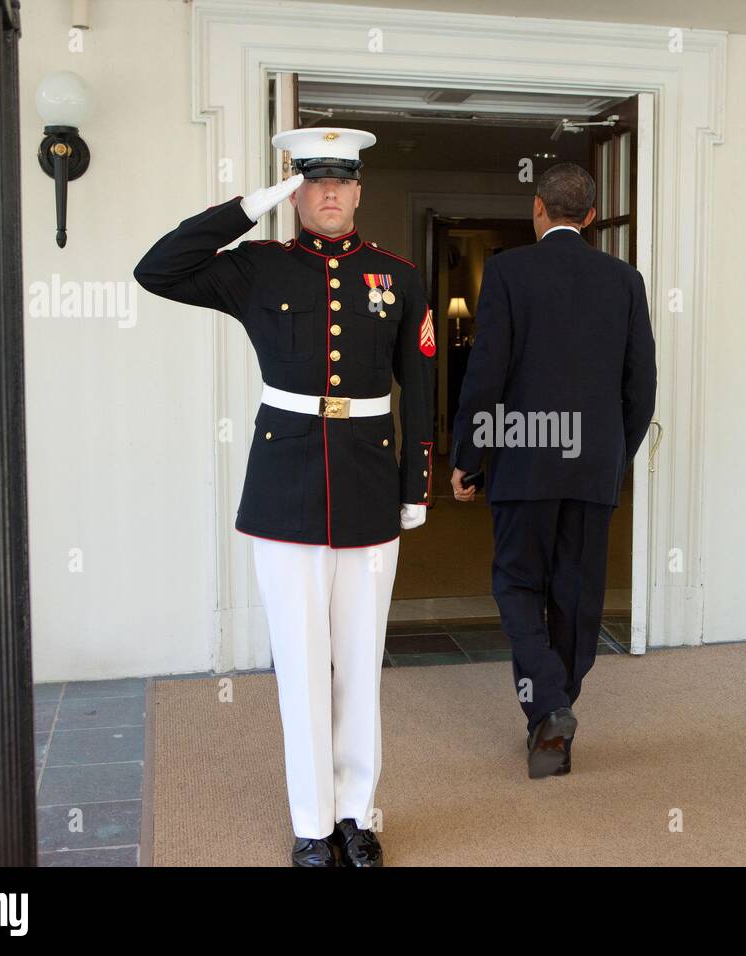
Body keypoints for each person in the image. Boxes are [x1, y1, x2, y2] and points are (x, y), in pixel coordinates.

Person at [133, 127, 435, 866]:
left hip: (368, 481)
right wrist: (249, 205)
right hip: (286, 487)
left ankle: (358, 816)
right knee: (301, 663)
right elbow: (157, 269)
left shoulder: (396, 275)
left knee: (361, 662)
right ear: (295, 192)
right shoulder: (257, 269)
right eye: (311, 180)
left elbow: (420, 385)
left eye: (341, 180)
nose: (328, 193)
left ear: (360, 190)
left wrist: (416, 482)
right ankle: (313, 823)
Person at [448, 162, 657, 778]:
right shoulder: (625, 279)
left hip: (522, 459)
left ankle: (549, 703)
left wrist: (467, 457)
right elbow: (640, 386)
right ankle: (551, 716)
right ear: (591, 216)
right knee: (576, 595)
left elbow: (486, 372)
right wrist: (615, 456)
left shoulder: (510, 270)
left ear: (538, 208)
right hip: (592, 466)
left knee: (517, 584)